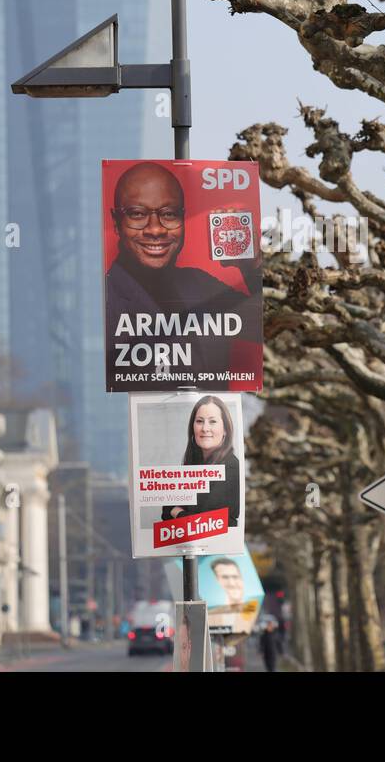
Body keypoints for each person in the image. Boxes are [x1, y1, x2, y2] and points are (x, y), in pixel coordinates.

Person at [105, 162, 260, 385]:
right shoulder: (104, 299)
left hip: (207, 415)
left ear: (182, 219)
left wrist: (251, 265)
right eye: (137, 214)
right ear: (116, 222)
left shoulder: (200, 284)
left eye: (169, 214)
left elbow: (265, 327)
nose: (155, 229)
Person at [162, 396, 240, 527]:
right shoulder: (191, 464)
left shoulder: (231, 467)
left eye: (213, 421)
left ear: (225, 429)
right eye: (199, 421)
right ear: (193, 428)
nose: (205, 428)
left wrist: (178, 513)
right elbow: (165, 513)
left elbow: (210, 524)